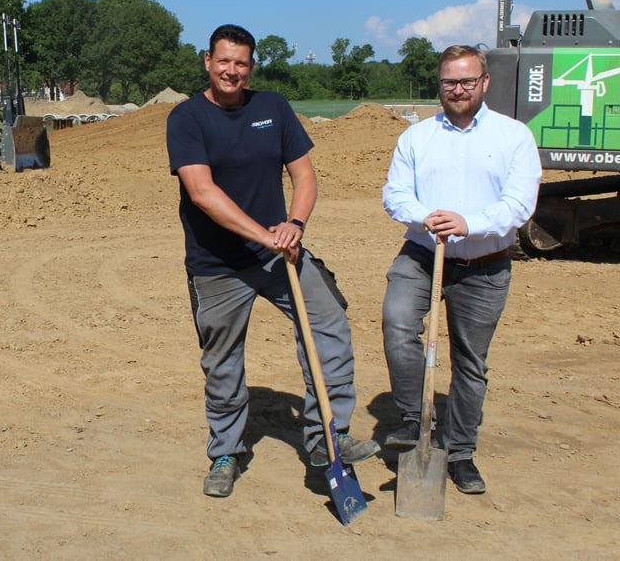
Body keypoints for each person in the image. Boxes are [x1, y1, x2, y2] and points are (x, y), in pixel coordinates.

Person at [166, 24, 379, 498]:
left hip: (282, 252)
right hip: (217, 263)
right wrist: (266, 233)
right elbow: (202, 193)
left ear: (251, 66)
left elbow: (304, 174)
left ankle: (330, 436)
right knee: (222, 361)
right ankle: (226, 449)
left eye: (241, 63)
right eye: (224, 61)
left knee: (328, 324)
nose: (232, 71)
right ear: (207, 61)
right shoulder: (186, 118)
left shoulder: (273, 107)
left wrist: (296, 225)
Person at [381, 44, 541, 495]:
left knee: (469, 361)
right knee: (397, 322)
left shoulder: (513, 137)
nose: (458, 89)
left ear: (484, 83)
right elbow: (394, 193)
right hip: (421, 254)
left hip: (486, 266)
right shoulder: (416, 137)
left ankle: (461, 452)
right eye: (450, 81)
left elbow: (519, 204)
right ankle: (415, 420)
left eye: (467, 81)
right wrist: (425, 215)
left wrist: (471, 223)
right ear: (441, 84)